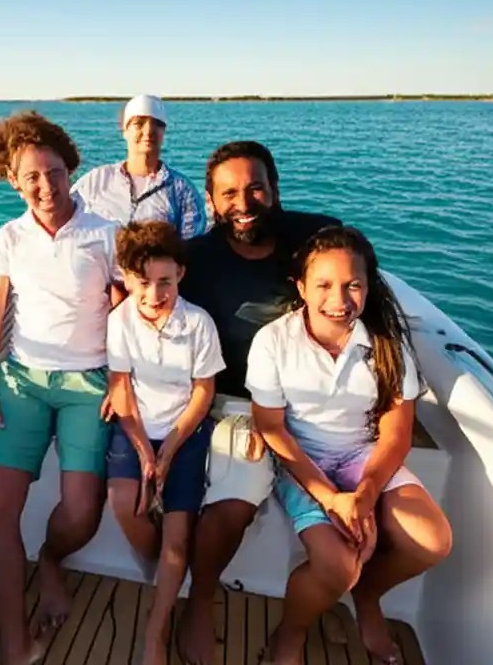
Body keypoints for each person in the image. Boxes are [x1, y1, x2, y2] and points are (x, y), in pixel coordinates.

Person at [247, 225, 453, 664]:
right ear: (300, 287)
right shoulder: (273, 342)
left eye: (352, 285)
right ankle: (291, 632)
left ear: (368, 286)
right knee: (337, 565)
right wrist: (330, 498)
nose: (339, 301)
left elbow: (396, 433)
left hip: (364, 456)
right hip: (301, 460)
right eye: (323, 285)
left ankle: (367, 597)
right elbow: (271, 428)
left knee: (432, 540)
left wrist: (365, 494)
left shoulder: (387, 344)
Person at [174, 141, 341, 664]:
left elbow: (356, 295)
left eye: (255, 188)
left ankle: (335, 593)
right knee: (232, 505)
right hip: (236, 406)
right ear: (210, 201)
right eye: (229, 193)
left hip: (312, 404)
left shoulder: (315, 240)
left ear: (275, 190)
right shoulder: (196, 260)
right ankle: (199, 602)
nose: (243, 202)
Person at [0, 110, 123, 665]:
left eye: (54, 173)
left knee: (82, 512)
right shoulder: (7, 238)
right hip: (22, 381)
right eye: (31, 177)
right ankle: (15, 644)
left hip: (89, 384)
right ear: (13, 180)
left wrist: (123, 383)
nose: (45, 187)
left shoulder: (106, 234)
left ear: (70, 170)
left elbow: (128, 314)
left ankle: (51, 561)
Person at [103, 221, 224, 665]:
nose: (155, 294)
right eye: (143, 283)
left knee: (178, 532)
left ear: (181, 275)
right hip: (136, 426)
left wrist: (168, 451)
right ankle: (168, 576)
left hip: (185, 431)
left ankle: (156, 630)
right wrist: (142, 450)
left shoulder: (198, 324)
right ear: (127, 279)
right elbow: (120, 385)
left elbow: (204, 392)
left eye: (165, 282)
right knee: (123, 502)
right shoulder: (120, 321)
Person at [71, 94, 206, 237]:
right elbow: (66, 223)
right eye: (138, 124)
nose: (148, 131)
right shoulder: (95, 181)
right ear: (125, 131)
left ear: (164, 131)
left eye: (157, 124)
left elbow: (192, 247)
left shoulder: (181, 190)